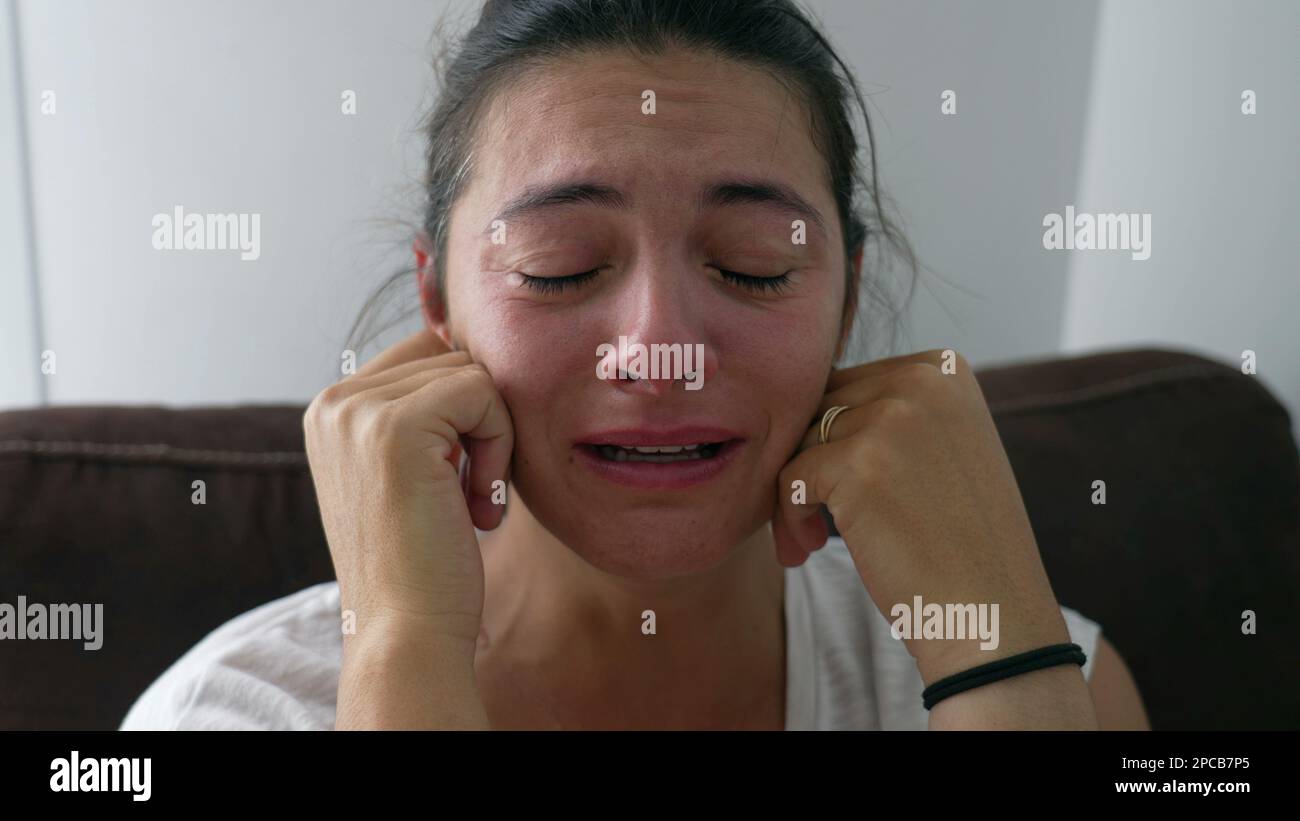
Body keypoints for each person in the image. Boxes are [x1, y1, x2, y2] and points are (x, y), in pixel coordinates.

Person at [121, 0, 1148, 731]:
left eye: (753, 267)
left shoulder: (1055, 676)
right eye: (557, 268)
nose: (659, 351)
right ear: (438, 300)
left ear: (844, 297)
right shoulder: (227, 713)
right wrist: (404, 656)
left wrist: (1003, 665)